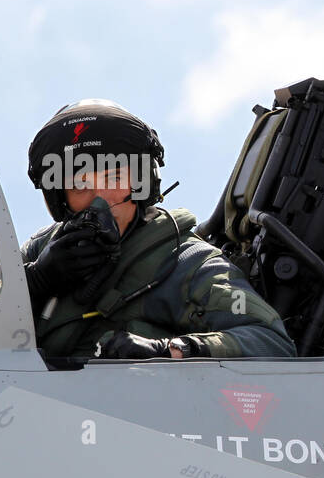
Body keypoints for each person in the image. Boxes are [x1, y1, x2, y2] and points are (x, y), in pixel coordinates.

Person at [22, 99, 295, 360]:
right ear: (61, 199)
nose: (100, 199)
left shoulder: (186, 261)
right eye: (80, 185)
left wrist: (171, 349)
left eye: (115, 177)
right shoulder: (39, 250)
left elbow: (270, 341)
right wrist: (35, 281)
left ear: (143, 184)